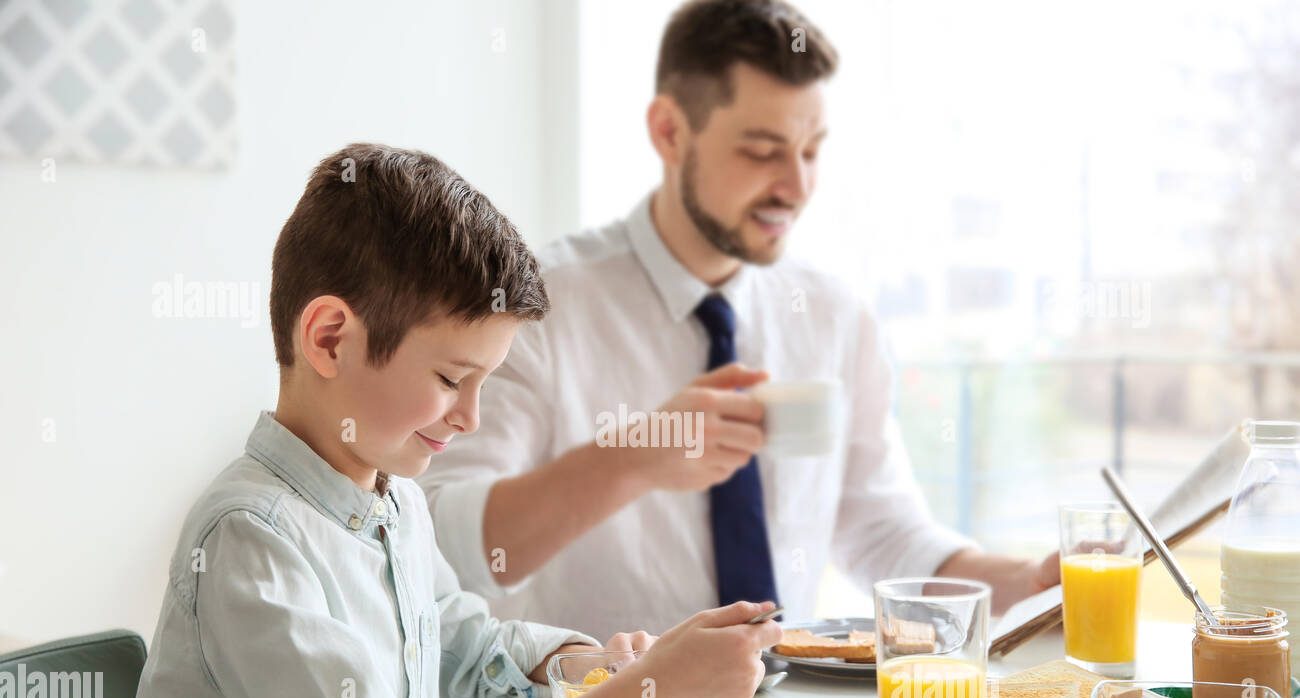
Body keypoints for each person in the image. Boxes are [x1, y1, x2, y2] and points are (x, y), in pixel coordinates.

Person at [114, 143, 781, 698]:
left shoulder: (395, 502)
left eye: (485, 382)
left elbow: (468, 648)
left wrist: (592, 669)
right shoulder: (251, 539)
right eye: (451, 377)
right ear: (330, 338)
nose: (472, 416)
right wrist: (644, 697)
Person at [419, 0, 1058, 642]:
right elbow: (443, 538)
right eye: (762, 151)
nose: (797, 185)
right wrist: (629, 460)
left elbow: (880, 527)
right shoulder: (537, 307)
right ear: (669, 133)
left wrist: (1025, 581)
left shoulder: (833, 316)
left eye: (811, 150)